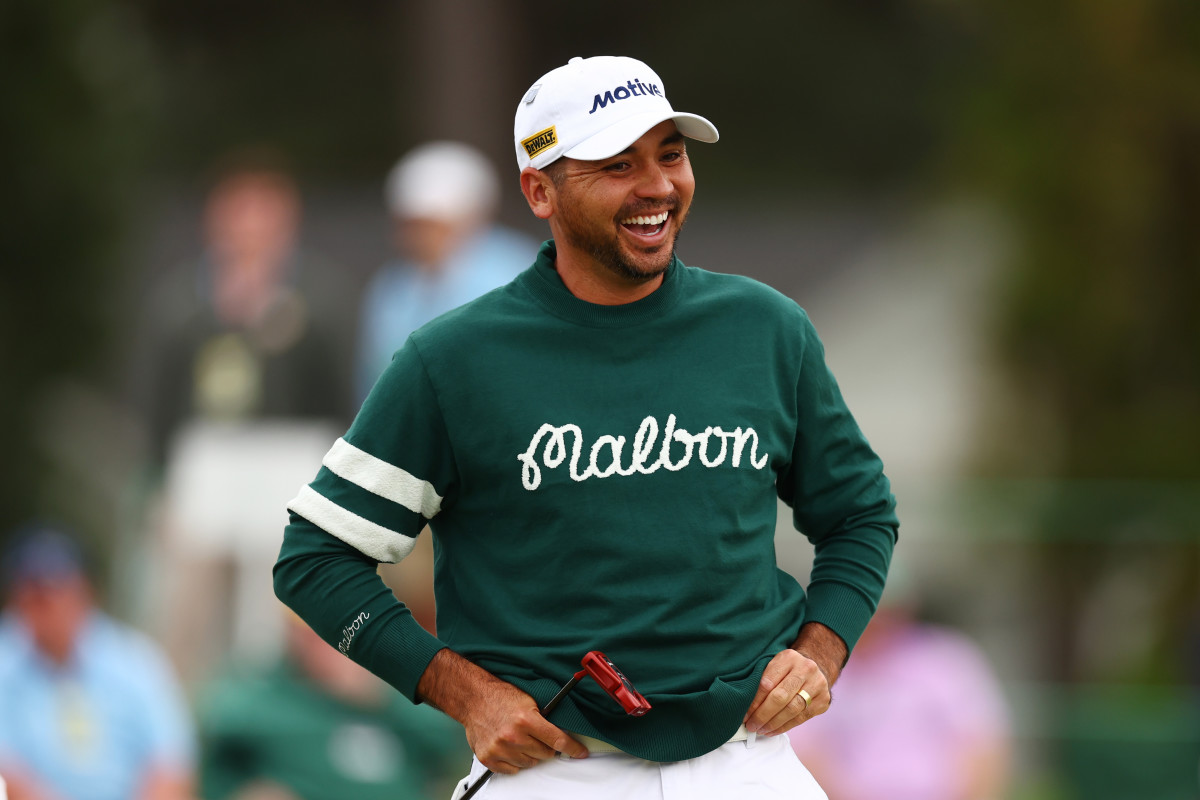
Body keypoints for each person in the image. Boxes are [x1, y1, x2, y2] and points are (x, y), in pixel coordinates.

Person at [274, 55, 899, 799]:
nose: (658, 185)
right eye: (618, 164)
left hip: (750, 764)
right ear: (540, 190)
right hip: (552, 774)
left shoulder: (765, 329)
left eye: (671, 154)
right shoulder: (453, 360)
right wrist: (464, 693)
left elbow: (860, 512)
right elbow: (316, 559)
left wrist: (822, 650)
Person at [128, 150, 358, 686]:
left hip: (286, 466)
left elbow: (337, 394)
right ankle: (180, 710)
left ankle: (264, 709)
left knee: (270, 607)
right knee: (184, 607)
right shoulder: (183, 301)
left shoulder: (319, 299)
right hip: (203, 466)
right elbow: (160, 398)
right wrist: (159, 479)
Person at [0, 523, 196, 800]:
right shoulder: (5, 661)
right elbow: (6, 773)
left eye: (57, 589)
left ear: (85, 590)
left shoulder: (135, 660)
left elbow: (170, 763)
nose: (49, 605)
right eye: (35, 593)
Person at [786, 564, 1013, 800]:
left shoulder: (947, 658)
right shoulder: (816, 665)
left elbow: (983, 745)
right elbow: (805, 748)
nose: (876, 621)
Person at [196, 607, 469, 800]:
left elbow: (449, 740)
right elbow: (218, 728)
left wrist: (376, 694)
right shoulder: (265, 688)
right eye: (316, 632)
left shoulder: (388, 688)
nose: (329, 642)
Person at [356, 140, 537, 402]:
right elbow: (374, 372)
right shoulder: (392, 284)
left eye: (430, 224)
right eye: (409, 224)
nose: (417, 236)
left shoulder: (513, 270)